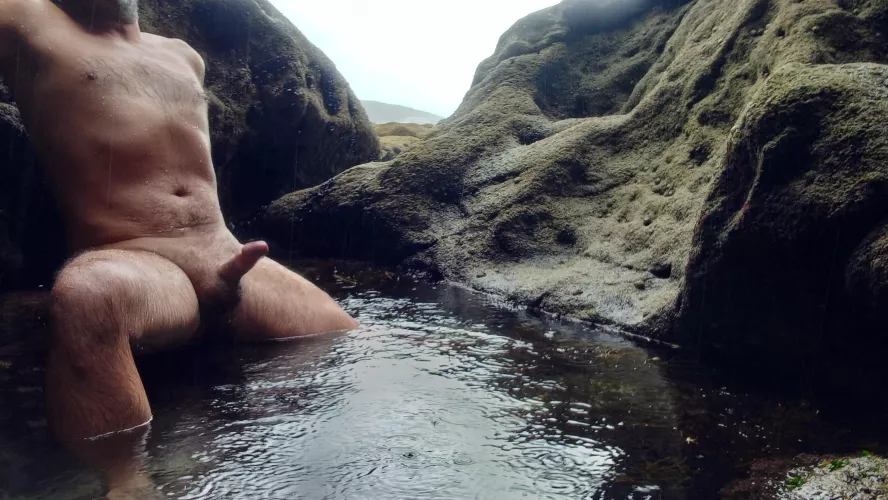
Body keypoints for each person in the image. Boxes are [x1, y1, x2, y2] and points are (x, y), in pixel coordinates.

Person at [0, 0, 358, 495]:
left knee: (355, 340)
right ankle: (125, 481)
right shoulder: (29, 20)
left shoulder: (183, 55)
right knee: (87, 294)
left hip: (227, 253)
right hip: (138, 257)